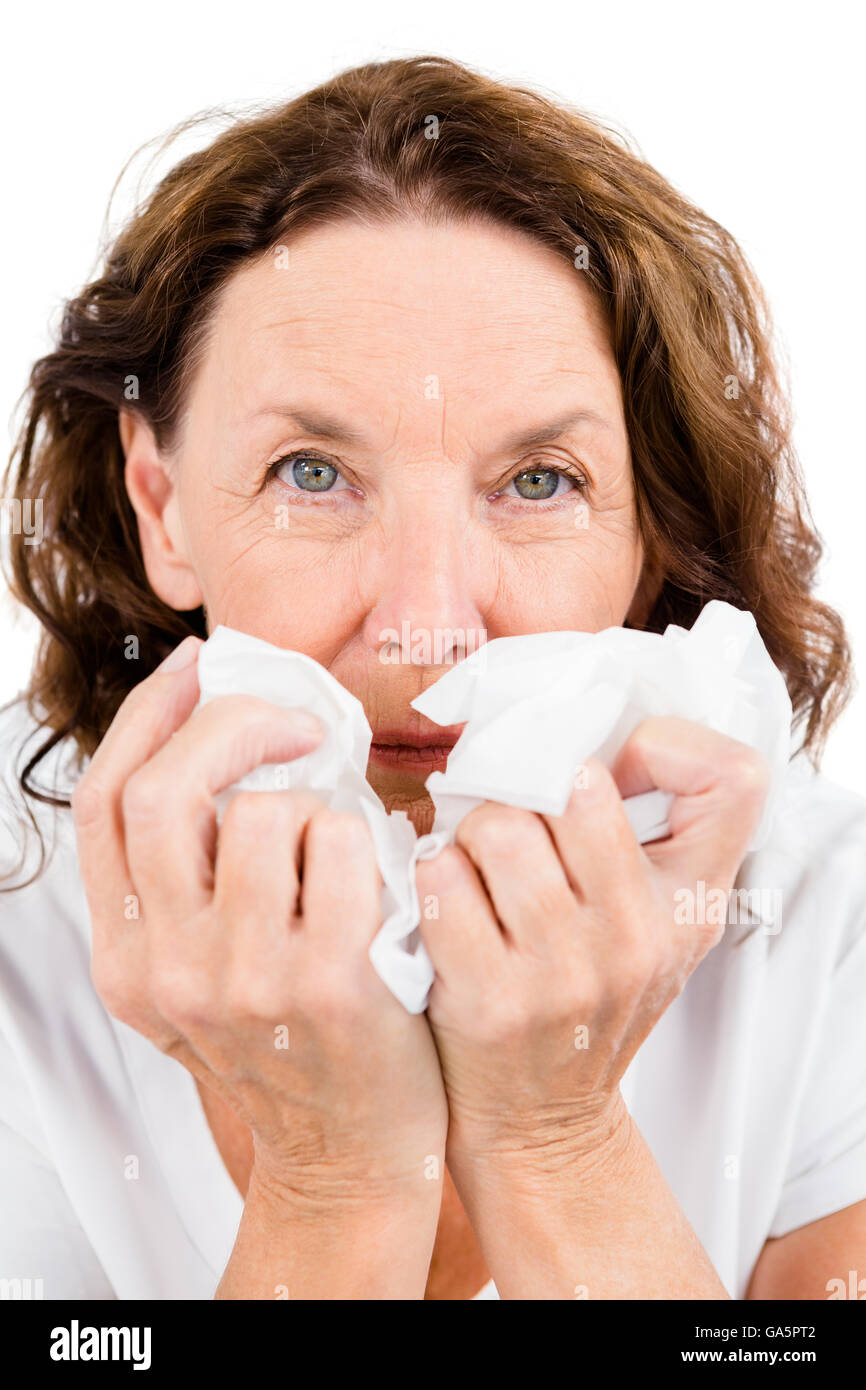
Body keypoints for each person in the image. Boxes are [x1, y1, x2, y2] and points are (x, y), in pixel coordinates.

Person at [1, 54, 864, 1301]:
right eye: (311, 473)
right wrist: (335, 1175)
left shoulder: (826, 937)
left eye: (536, 483)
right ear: (162, 502)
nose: (427, 630)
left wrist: (557, 1140)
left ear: (645, 539)